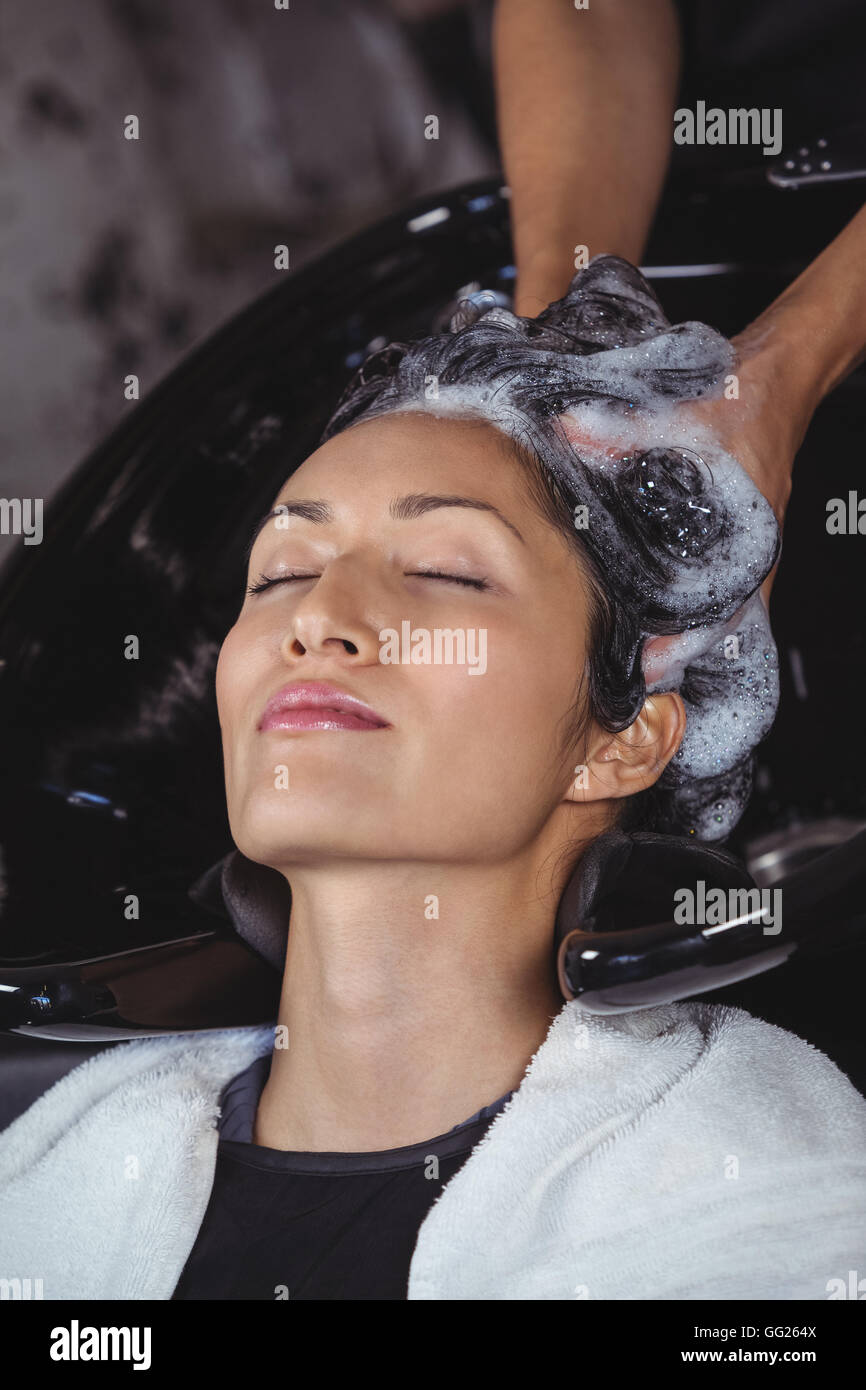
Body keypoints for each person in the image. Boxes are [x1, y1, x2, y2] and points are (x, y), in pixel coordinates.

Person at [2, 255, 865, 1301]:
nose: (316, 618)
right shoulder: (45, 1183)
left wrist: (783, 367)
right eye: (279, 572)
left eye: (445, 569)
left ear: (622, 738)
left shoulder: (758, 1212)